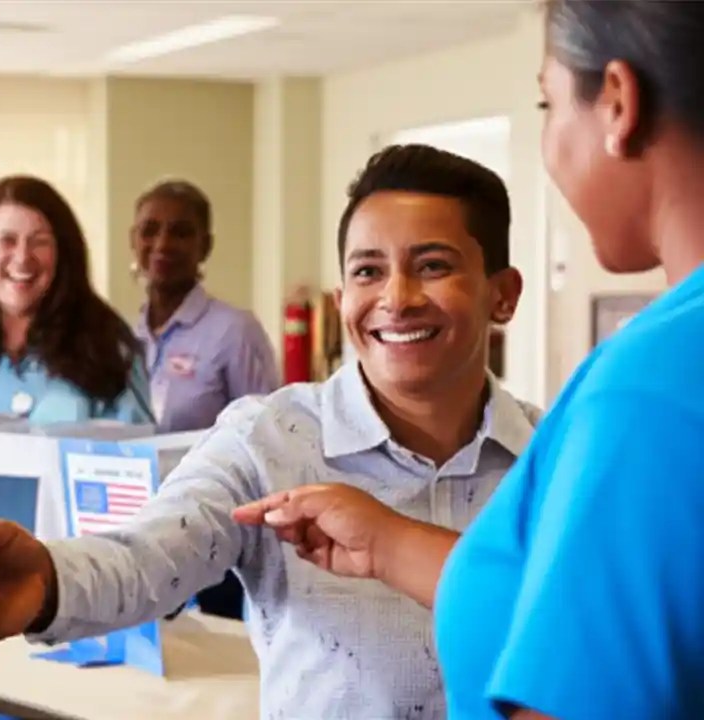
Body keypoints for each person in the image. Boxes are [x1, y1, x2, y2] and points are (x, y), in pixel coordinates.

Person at [0, 145, 538, 718]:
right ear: (342, 300)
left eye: (434, 265)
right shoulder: (272, 439)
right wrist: (45, 582)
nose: (396, 297)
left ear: (501, 293)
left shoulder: (557, 459)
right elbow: (147, 556)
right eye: (368, 271)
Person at [238, 3, 704, 720]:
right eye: (367, 272)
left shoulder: (648, 390)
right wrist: (392, 545)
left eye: (549, 103)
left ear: (617, 102)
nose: (397, 299)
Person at [129, 178, 279, 620]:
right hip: (142, 529)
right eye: (150, 229)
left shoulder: (234, 331)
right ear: (133, 241)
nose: (162, 243)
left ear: (205, 245)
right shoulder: (123, 337)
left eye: (181, 231)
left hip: (217, 536)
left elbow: (267, 440)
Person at [0, 174, 153, 423]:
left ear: (63, 253)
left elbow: (139, 453)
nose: (22, 257)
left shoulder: (108, 344)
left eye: (39, 242)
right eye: (7, 241)